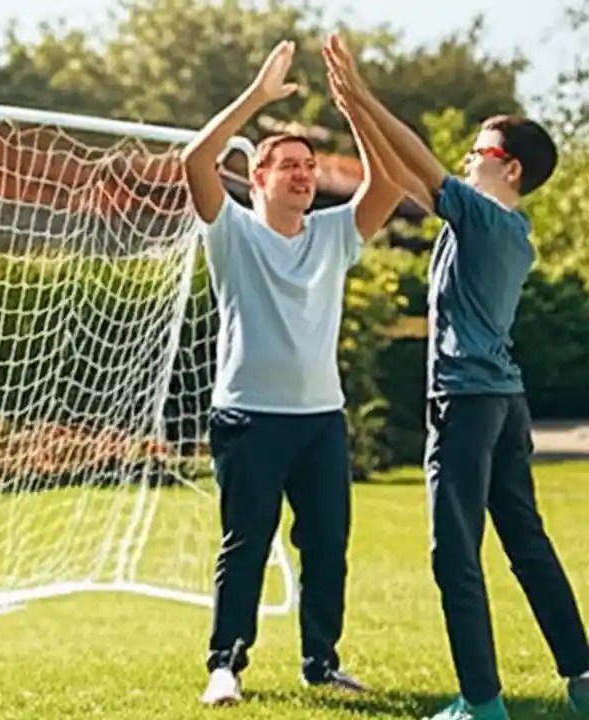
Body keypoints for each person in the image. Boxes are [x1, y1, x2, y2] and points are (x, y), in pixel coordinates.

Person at [321, 33, 589, 720]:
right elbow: (400, 172)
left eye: (480, 150)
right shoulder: (493, 228)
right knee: (527, 544)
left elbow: (419, 162)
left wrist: (369, 94)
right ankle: (583, 679)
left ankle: (480, 703)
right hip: (504, 403)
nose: (468, 158)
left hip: (467, 407)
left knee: (455, 555)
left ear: (513, 171)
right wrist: (354, 107)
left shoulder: (486, 220)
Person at [179, 39, 405, 706]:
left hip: (320, 421)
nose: (303, 174)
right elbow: (195, 161)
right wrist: (256, 97)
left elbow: (387, 183)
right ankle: (225, 665)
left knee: (327, 548)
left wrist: (354, 105)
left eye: (309, 166)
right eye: (288, 166)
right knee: (245, 543)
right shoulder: (231, 232)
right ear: (260, 180)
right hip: (249, 416)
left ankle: (321, 662)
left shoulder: (334, 233)